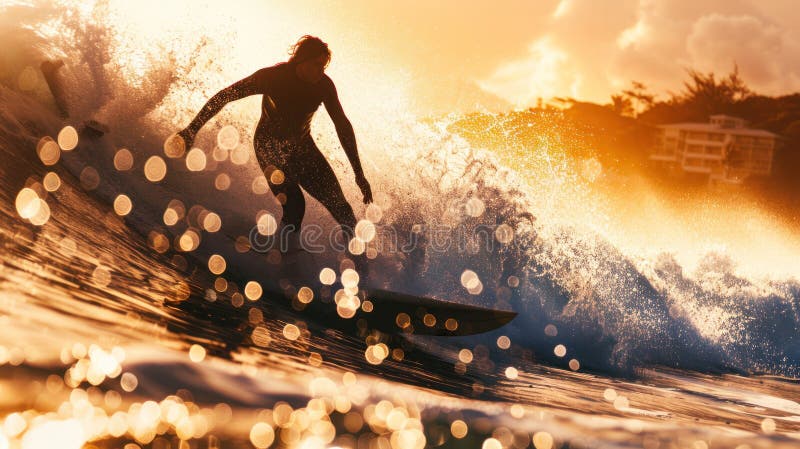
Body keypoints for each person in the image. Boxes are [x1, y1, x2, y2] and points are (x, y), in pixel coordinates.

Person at [177, 35, 372, 258]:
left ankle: (362, 274)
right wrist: (192, 129)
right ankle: (283, 259)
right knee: (295, 206)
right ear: (302, 60)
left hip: (303, 148)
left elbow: (343, 126)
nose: (321, 71)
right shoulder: (273, 78)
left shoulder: (323, 86)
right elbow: (225, 96)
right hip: (269, 148)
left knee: (344, 211)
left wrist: (359, 174)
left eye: (324, 66)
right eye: (317, 65)